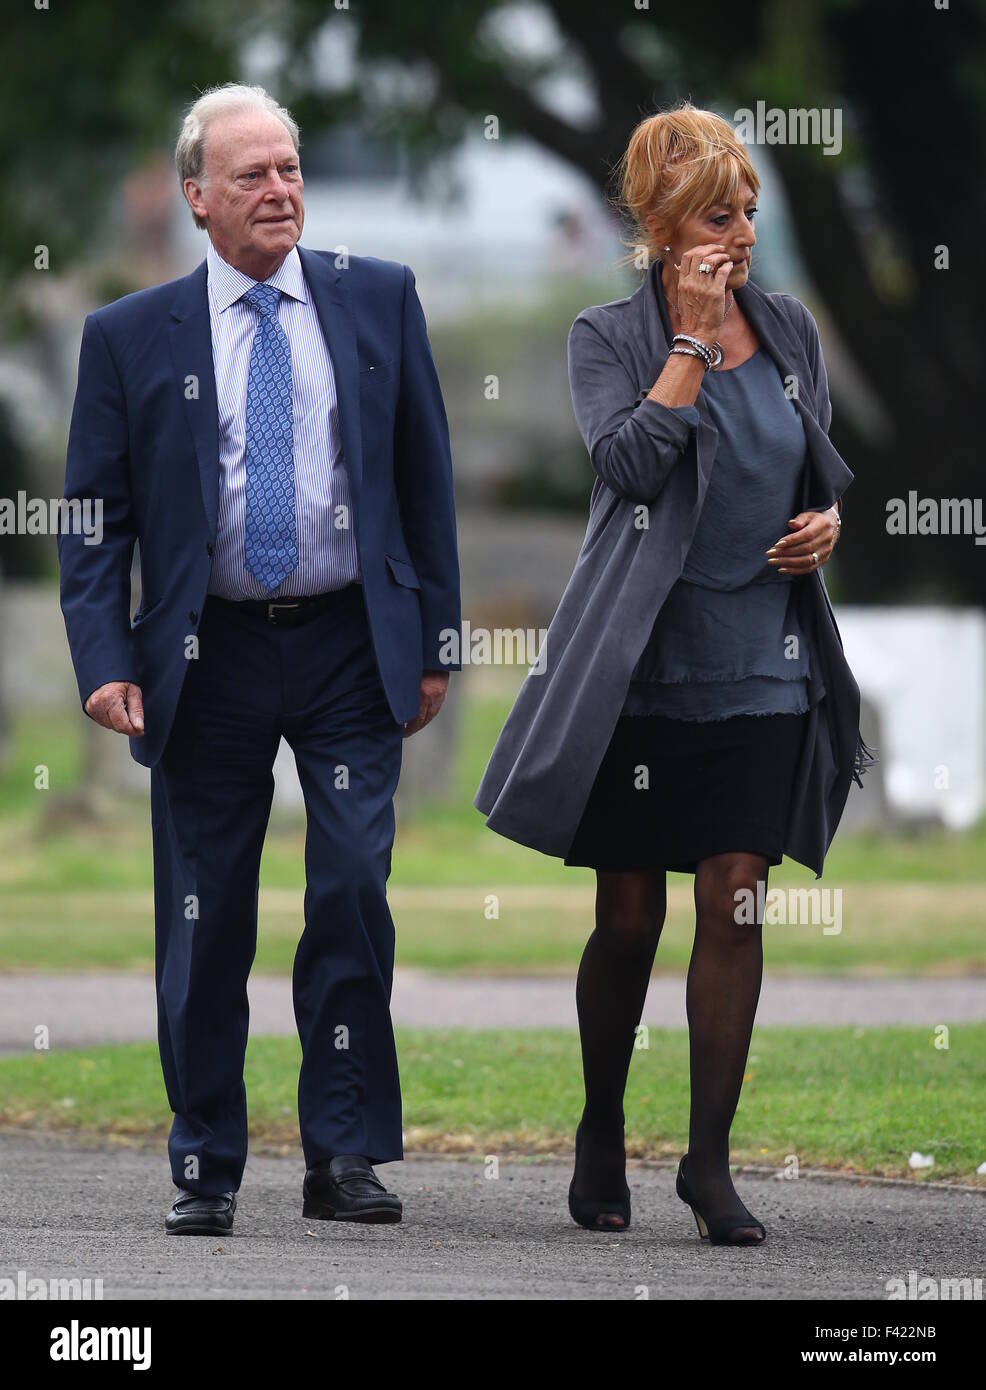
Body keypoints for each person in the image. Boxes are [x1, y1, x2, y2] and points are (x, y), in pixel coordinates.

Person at [58, 83, 461, 1235]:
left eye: (288, 168)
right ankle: (206, 1161)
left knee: (348, 891)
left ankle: (342, 1155)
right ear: (196, 196)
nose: (279, 189)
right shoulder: (128, 337)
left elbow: (423, 484)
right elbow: (92, 518)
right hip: (203, 655)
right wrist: (102, 657)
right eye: (251, 174)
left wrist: (435, 638)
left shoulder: (378, 300)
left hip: (347, 646)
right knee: (205, 916)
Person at [474, 104, 874, 1245]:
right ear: (656, 223)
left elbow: (814, 467)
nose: (738, 229)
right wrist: (691, 344)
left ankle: (707, 1161)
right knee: (629, 911)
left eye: (746, 208)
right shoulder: (606, 338)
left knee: (733, 897)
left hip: (762, 657)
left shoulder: (789, 327)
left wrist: (824, 524)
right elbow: (630, 466)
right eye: (714, 211)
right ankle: (602, 1123)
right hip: (638, 667)